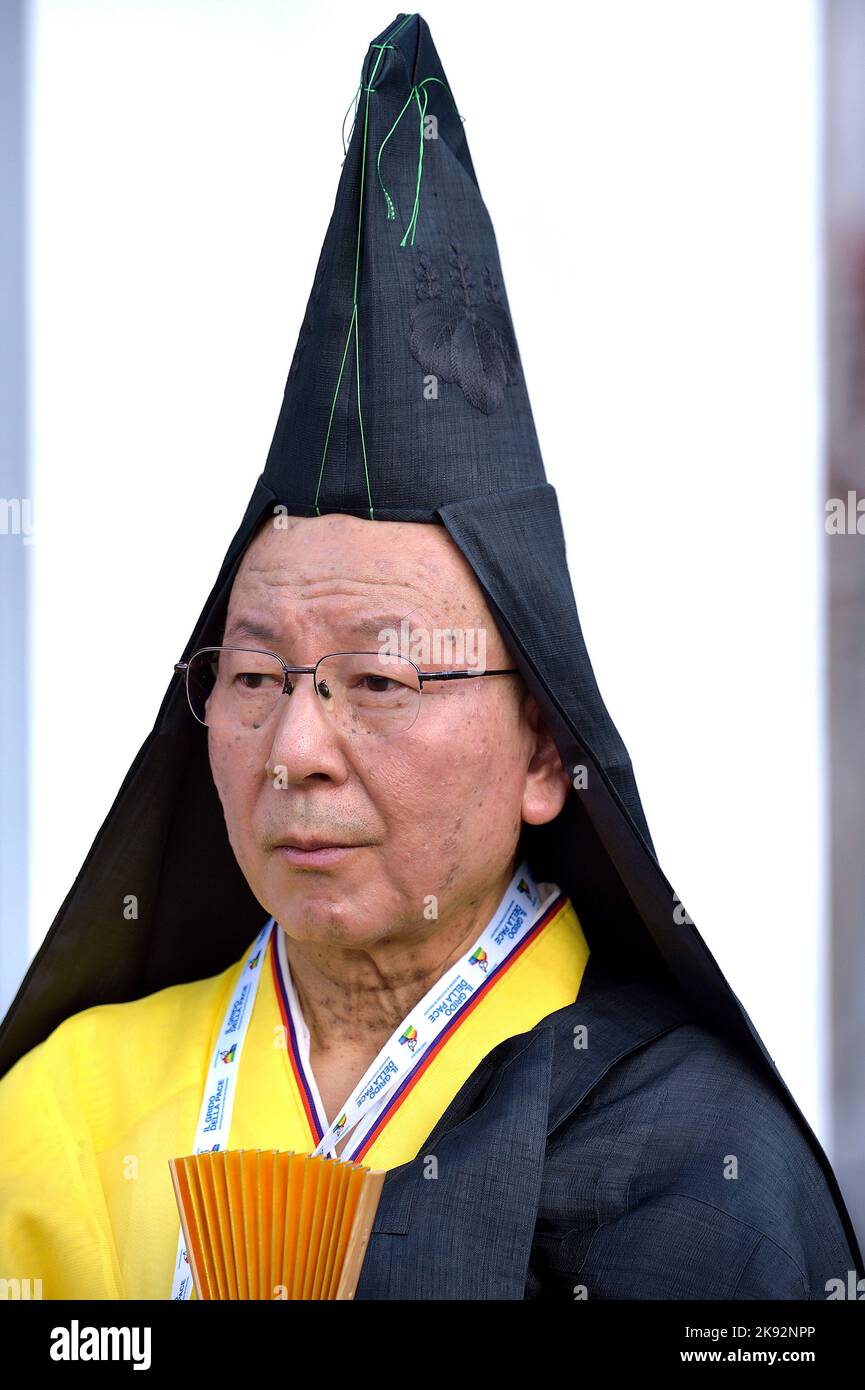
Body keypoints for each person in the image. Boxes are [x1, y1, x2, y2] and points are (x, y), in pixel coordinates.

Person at [0, 11, 861, 1301]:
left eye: (383, 679)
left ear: (544, 749)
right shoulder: (61, 1109)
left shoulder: (695, 1156)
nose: (295, 750)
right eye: (251, 677)